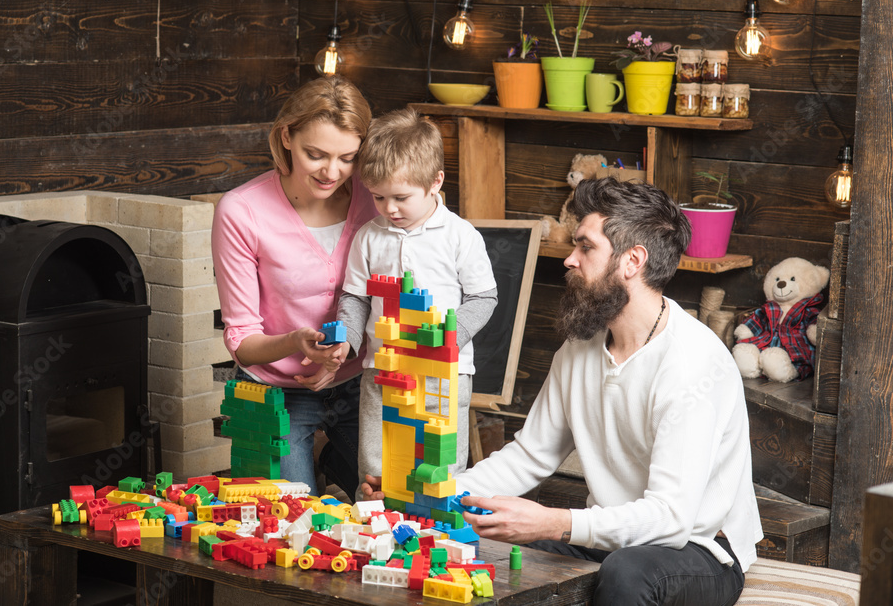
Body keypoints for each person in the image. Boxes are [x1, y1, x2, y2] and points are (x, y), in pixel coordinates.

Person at [451, 177, 763, 605]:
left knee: (628, 572)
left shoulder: (693, 363)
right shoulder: (580, 347)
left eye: (586, 247)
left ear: (632, 261)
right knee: (482, 547)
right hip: (610, 538)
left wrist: (554, 523)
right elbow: (530, 455)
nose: (569, 260)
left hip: (700, 547)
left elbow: (672, 519)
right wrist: (435, 496)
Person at [211, 76, 377, 499]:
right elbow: (242, 340)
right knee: (291, 513)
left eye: (347, 158)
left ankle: (332, 466)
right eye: (315, 155)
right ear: (286, 137)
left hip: (360, 381)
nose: (331, 172)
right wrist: (295, 342)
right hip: (279, 390)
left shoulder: (374, 199)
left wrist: (344, 355)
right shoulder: (241, 211)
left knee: (384, 506)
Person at [329, 108, 498, 499]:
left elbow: (483, 296)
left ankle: (435, 526)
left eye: (401, 198)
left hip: (444, 373)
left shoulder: (460, 235)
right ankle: (377, 524)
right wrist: (349, 339)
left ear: (435, 182)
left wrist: (450, 337)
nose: (389, 209)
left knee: (439, 464)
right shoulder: (369, 237)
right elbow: (355, 295)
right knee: (377, 461)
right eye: (378, 197)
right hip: (382, 368)